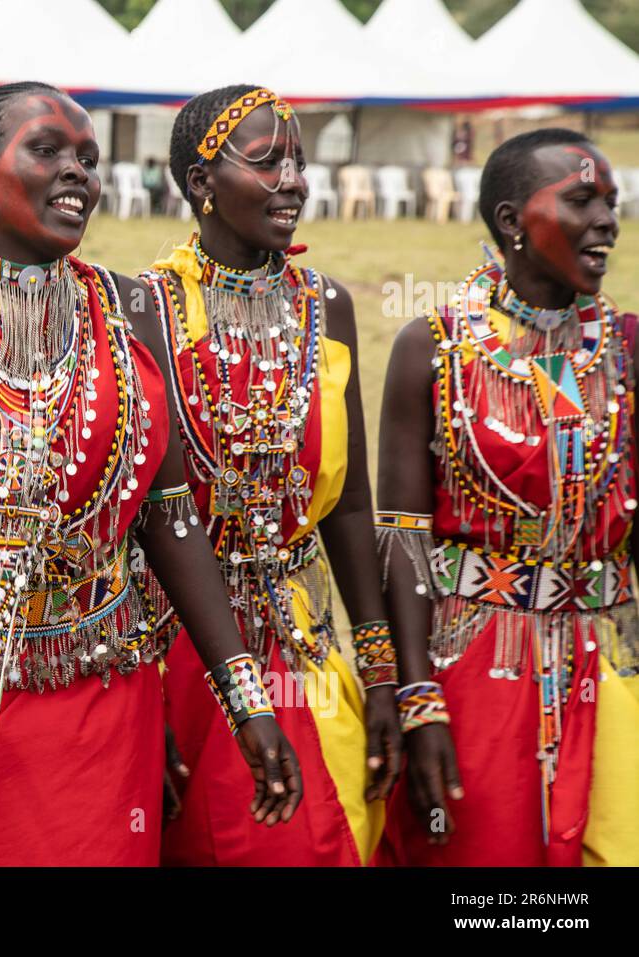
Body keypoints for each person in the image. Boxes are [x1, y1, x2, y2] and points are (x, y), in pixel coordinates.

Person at [0, 81, 304, 867]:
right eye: (48, 150)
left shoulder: (130, 313)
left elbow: (171, 520)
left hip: (102, 696)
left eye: (90, 159)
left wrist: (245, 701)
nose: (79, 172)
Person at [144, 85, 401, 867]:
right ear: (200, 185)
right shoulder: (143, 307)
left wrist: (382, 667)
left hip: (303, 636)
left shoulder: (327, 304)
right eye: (267, 161)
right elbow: (121, 522)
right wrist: (133, 706)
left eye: (298, 160)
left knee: (331, 829)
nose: (293, 179)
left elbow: (349, 504)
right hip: (179, 644)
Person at [376, 128, 639, 866]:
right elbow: (401, 539)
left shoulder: (627, 347)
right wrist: (418, 701)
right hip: (475, 669)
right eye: (581, 199)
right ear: (510, 221)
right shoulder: (431, 348)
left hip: (609, 664)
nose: (607, 220)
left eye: (612, 202)